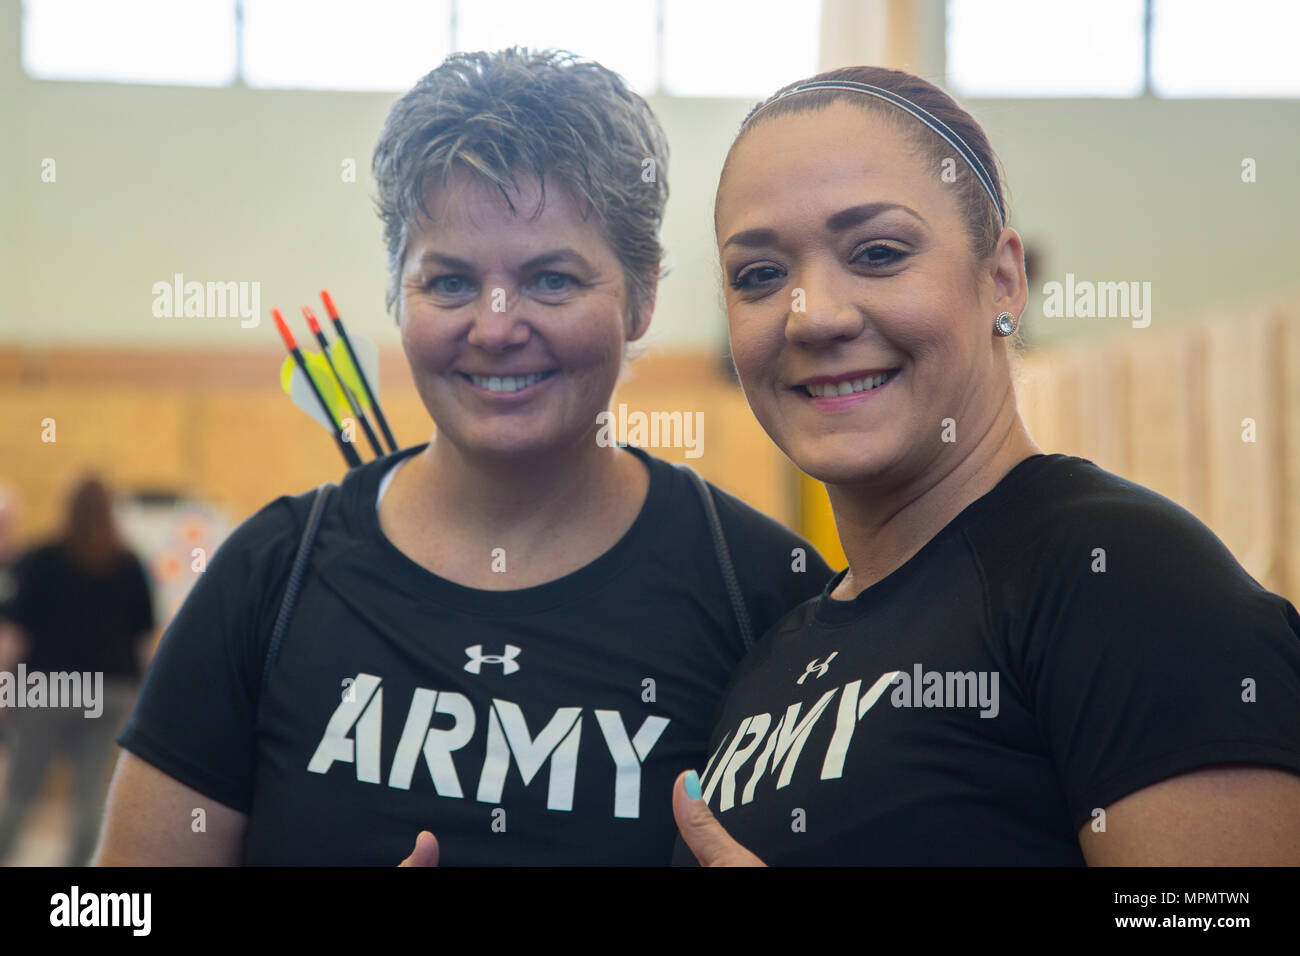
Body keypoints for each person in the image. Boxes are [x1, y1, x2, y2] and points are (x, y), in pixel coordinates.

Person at [93, 48, 832, 867]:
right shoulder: (271, 577)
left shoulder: (765, 596)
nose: (495, 325)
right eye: (448, 283)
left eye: (552, 280)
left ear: (644, 296)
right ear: (395, 292)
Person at [668, 65, 1300, 866]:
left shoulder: (1122, 578)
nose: (813, 316)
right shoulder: (774, 654)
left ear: (1002, 277)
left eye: (878, 252)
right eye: (760, 275)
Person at [0, 475, 154, 866]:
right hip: (109, 689)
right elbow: (145, 642)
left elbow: (14, 637)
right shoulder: (129, 564)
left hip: (49, 686)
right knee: (91, 794)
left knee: (22, 786)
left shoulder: (42, 559)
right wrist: (147, 702)